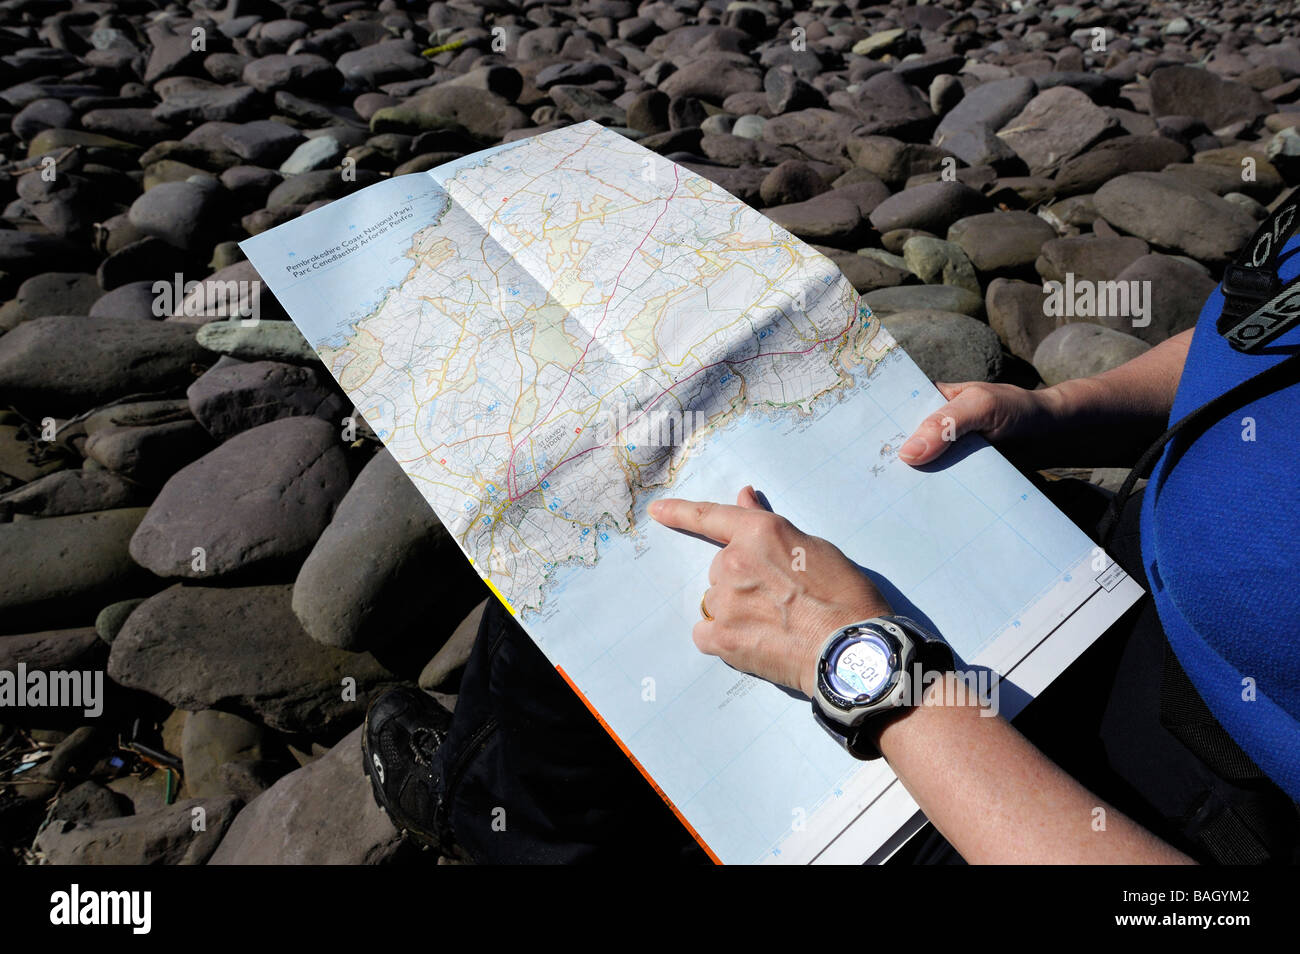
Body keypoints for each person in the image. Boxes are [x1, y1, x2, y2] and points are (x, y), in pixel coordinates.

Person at [362, 210, 1300, 865]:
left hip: (1168, 805)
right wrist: (1058, 408)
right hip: (1110, 576)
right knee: (609, 513)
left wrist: (868, 669)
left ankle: (487, 822)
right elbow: (1261, 327)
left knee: (583, 588)